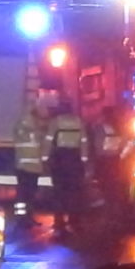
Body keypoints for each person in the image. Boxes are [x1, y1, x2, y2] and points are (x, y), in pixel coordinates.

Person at [44, 100, 90, 236]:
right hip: (75, 159)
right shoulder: (79, 122)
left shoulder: (55, 122)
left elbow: (48, 140)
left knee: (59, 192)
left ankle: (59, 222)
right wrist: (84, 160)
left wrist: (45, 158)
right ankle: (74, 221)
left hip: (59, 158)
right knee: (75, 193)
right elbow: (84, 141)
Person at [11, 99, 49, 220]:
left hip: (25, 167)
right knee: (26, 194)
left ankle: (25, 218)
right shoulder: (34, 129)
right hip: (30, 167)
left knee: (26, 194)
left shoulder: (22, 127)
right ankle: (23, 219)